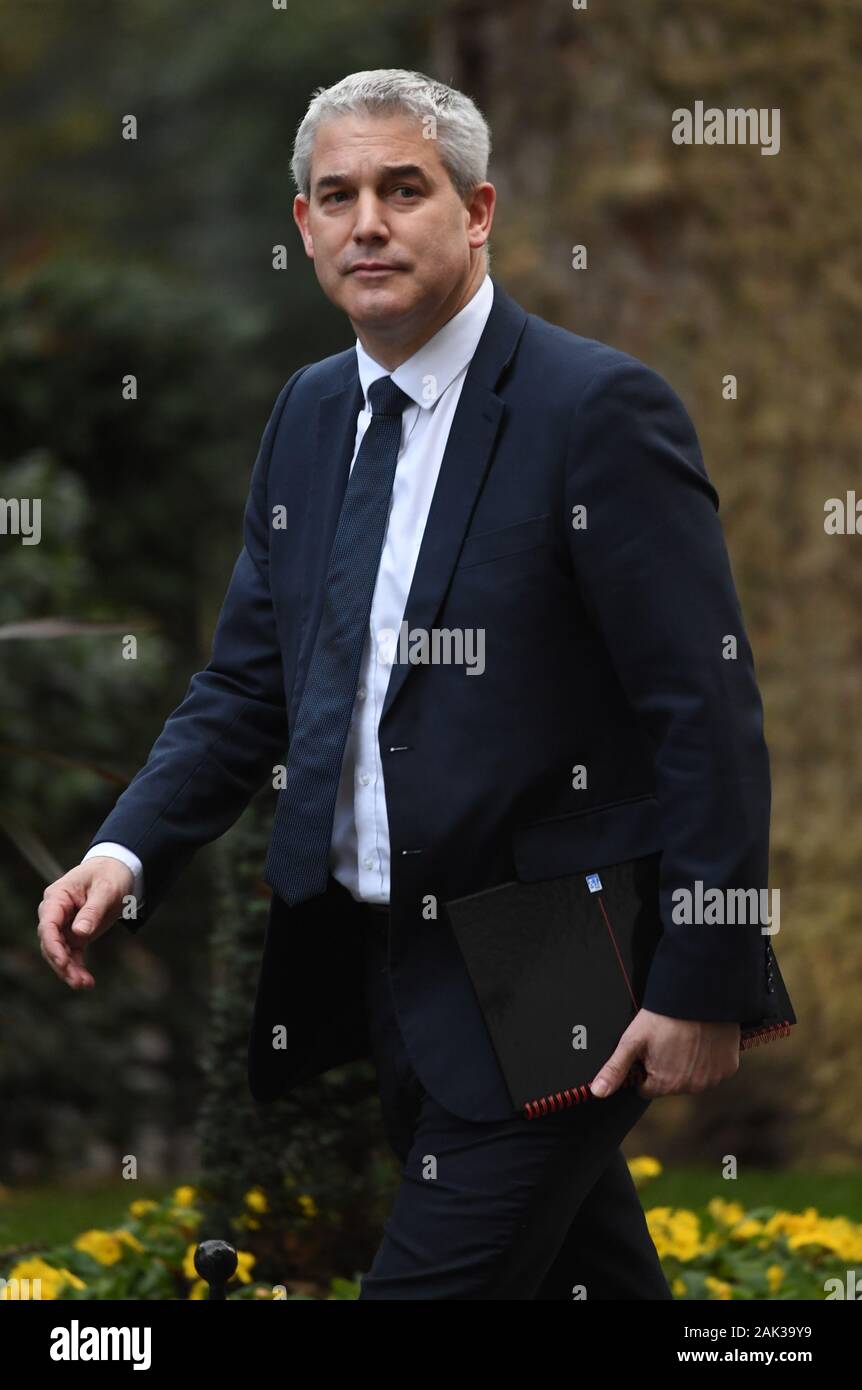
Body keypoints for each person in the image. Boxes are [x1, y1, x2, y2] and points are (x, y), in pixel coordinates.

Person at [37, 68, 786, 1299]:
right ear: (304, 228)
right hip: (389, 964)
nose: (368, 222)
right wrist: (124, 852)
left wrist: (702, 975)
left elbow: (703, 708)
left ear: (477, 210)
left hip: (560, 961)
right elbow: (248, 683)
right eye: (338, 196)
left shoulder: (595, 409)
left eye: (404, 188)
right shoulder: (308, 412)